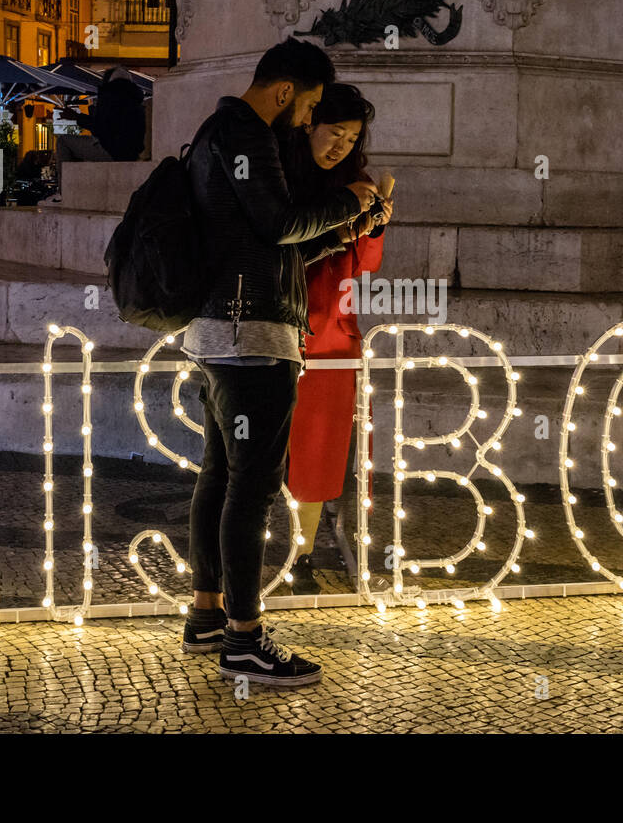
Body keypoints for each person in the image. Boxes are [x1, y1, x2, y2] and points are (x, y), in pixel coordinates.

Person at [178, 38, 378, 687]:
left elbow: (267, 241)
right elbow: (277, 224)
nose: (309, 118)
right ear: (288, 90)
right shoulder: (247, 135)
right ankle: (244, 637)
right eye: (313, 104)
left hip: (219, 330)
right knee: (252, 487)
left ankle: (208, 613)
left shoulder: (216, 131)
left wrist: (341, 230)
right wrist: (351, 202)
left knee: (219, 475)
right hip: (252, 338)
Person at [276, 84, 393, 596]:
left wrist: (374, 228)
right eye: (333, 133)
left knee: (321, 447)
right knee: (274, 447)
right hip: (281, 326)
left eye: (352, 137)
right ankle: (268, 544)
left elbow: (367, 266)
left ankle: (299, 554)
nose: (341, 145)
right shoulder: (284, 180)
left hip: (333, 334)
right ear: (309, 126)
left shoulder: (357, 183)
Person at [56, 66, 148, 166]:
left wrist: (77, 117)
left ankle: (66, 180)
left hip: (111, 151)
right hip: (132, 154)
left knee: (63, 141)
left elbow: (101, 127)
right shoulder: (136, 100)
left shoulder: (109, 95)